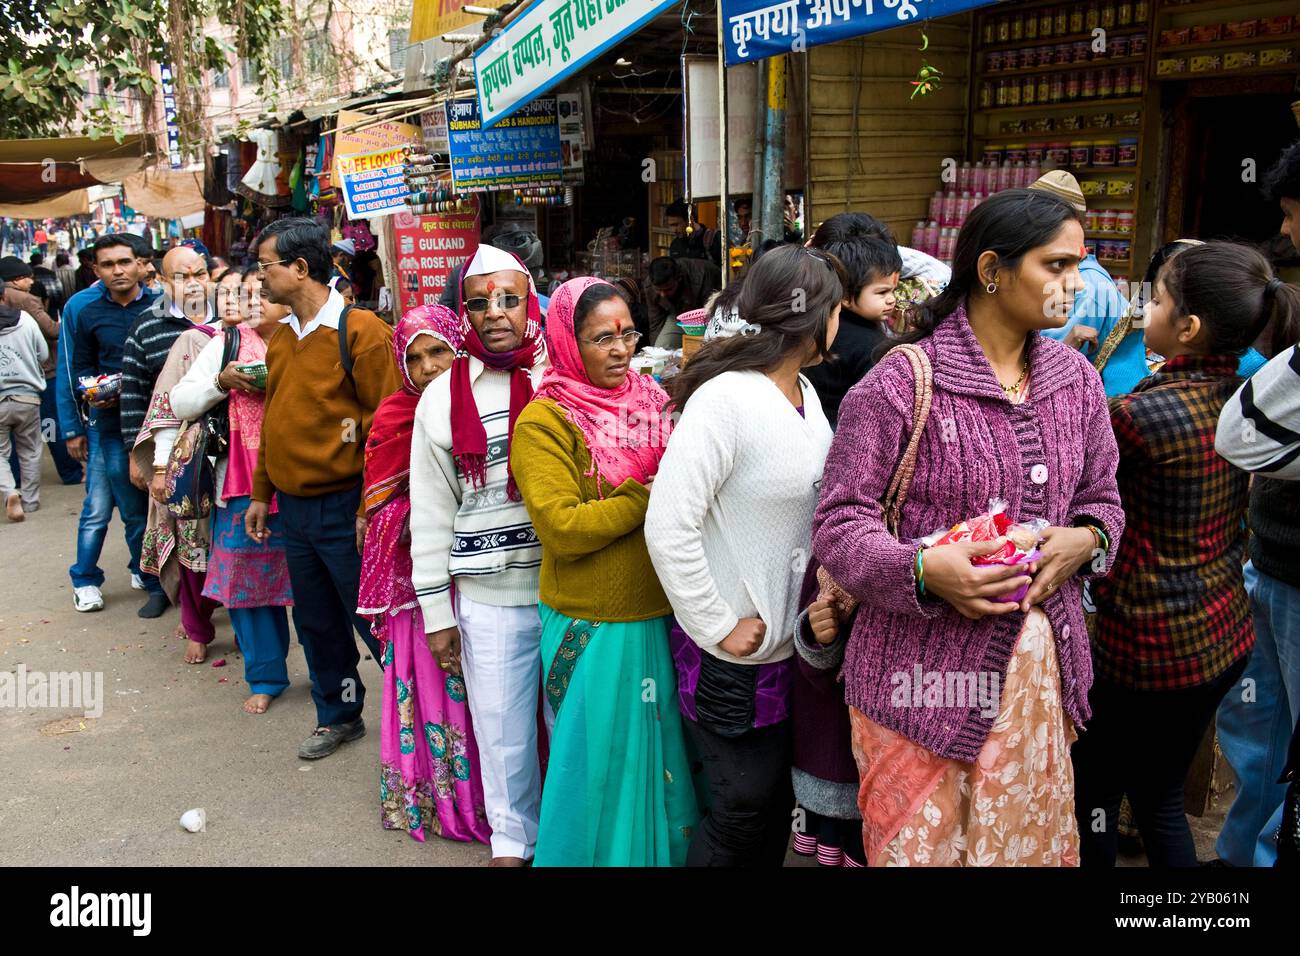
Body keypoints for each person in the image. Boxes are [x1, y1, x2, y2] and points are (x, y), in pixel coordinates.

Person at [813, 189, 1124, 867]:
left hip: (1039, 686)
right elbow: (839, 524)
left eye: (1080, 264)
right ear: (992, 269)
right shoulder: (900, 384)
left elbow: (1103, 496)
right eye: (1056, 265)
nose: (1074, 284)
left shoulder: (1076, 380)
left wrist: (1088, 539)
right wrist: (923, 572)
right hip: (915, 687)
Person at [1074, 242, 1289, 867]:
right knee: (1160, 793)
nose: (1148, 310)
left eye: (1159, 300)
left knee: (1095, 789)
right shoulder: (1249, 391)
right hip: (1220, 632)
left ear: (1188, 327)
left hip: (1147, 644)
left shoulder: (1144, 416)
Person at [644, 245, 845, 866]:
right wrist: (719, 623)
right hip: (733, 655)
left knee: (767, 813)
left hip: (793, 651)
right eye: (835, 308)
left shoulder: (806, 395)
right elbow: (667, 524)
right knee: (740, 814)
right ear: (814, 317)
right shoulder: (725, 401)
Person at [512, 277, 700, 865]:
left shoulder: (651, 402)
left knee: (657, 758)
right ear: (569, 342)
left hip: (660, 612)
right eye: (601, 339)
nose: (620, 350)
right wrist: (651, 493)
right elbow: (563, 527)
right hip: (593, 621)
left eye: (627, 334)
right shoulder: (544, 423)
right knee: (595, 766)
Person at [409, 243, 548, 866]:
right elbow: (432, 514)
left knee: (574, 726)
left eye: (509, 299)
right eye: (480, 302)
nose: (496, 313)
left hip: (570, 592)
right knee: (502, 734)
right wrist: (438, 613)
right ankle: (514, 841)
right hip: (488, 598)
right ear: (463, 310)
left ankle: (572, 836)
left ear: (530, 301)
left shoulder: (560, 378)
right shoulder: (440, 398)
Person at [244, 217, 398, 759]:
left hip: (345, 508)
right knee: (316, 623)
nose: (258, 279)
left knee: (375, 619)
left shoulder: (361, 332)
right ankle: (339, 716)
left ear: (301, 268)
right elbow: (275, 420)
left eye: (266, 267)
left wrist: (367, 507)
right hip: (296, 510)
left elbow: (386, 427)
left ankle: (422, 715)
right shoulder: (283, 338)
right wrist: (263, 491)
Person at [359, 305, 490, 844]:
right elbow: (378, 508)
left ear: (460, 348)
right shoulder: (392, 415)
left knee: (490, 689)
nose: (429, 366)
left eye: (439, 350)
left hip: (483, 576)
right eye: (415, 358)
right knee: (434, 682)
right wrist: (425, 513)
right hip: (421, 584)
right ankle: (437, 797)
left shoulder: (489, 402)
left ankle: (490, 797)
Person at [1212, 138, 1300, 867]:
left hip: (1292, 577)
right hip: (1272, 560)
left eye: (1296, 213)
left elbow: (1238, 437)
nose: (1292, 231)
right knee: (1257, 731)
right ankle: (1244, 859)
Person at [171, 267, 295, 714]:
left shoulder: (309, 339)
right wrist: (220, 382)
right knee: (246, 587)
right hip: (241, 486)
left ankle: (333, 680)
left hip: (306, 481)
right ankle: (266, 675)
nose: (257, 300)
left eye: (266, 292)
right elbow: (179, 402)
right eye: (250, 294)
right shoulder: (227, 343)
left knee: (315, 585)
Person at [56, 235, 165, 614]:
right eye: (108, 264)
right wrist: (82, 409)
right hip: (110, 425)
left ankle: (156, 572)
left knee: (169, 503)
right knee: (120, 508)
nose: (117, 270)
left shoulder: (161, 305)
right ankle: (134, 579)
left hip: (162, 421)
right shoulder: (84, 310)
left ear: (140, 264)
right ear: (95, 269)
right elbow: (77, 369)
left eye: (124, 262)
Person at [129, 248, 226, 650]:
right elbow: (154, 402)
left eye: (201, 273)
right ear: (163, 282)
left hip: (244, 454)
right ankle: (197, 627)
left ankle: (248, 628)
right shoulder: (164, 331)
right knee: (193, 541)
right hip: (188, 454)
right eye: (182, 276)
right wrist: (157, 465)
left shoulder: (245, 329)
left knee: (237, 545)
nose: (194, 282)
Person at [802, 214, 901, 427]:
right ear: (846, 295)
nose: (892, 299)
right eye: (882, 292)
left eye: (894, 290)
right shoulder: (872, 345)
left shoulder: (806, 312)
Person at [1, 254, 81, 485]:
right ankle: (70, 472)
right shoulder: (25, 301)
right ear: (15, 280)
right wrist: (70, 322)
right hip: (40, 372)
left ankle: (13, 483)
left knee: (10, 438)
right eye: (27, 278)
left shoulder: (13, 298)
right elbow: (50, 330)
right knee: (51, 424)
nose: (31, 282)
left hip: (7, 381)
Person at [0, 279, 48, 522]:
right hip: (27, 396)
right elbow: (44, 353)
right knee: (29, 450)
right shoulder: (25, 319)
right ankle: (30, 501)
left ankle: (10, 491)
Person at [646, 255, 721, 349]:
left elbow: (715, 311)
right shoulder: (650, 285)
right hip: (678, 317)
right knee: (662, 347)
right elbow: (656, 322)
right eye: (658, 290)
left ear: (679, 278)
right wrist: (656, 353)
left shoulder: (704, 273)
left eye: (668, 289)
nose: (662, 295)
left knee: (706, 350)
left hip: (708, 315)